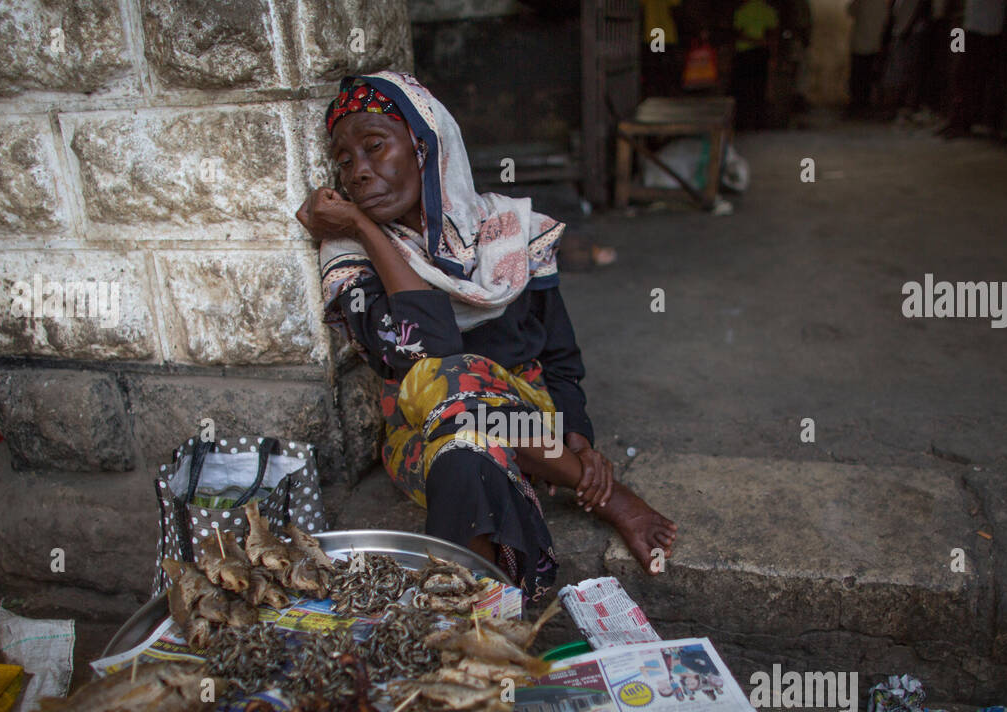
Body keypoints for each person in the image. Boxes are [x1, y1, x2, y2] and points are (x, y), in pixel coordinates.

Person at [296, 73, 677, 602]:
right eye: (344, 161)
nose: (358, 173)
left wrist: (579, 441)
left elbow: (559, 355)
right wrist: (363, 230)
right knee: (454, 410)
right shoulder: (351, 258)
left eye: (375, 146)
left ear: (426, 147)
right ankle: (603, 507)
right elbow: (430, 344)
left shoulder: (509, 230)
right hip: (420, 437)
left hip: (527, 423)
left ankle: (463, 616)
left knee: (468, 433)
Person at [938, 0, 1007, 137]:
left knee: (968, 75)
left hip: (984, 28)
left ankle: (962, 121)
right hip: (972, 26)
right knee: (961, 74)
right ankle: (957, 119)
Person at [732, 0, 781, 129]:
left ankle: (743, 123)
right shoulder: (768, 11)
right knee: (759, 88)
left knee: (744, 88)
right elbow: (773, 35)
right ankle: (757, 123)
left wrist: (752, 41)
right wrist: (768, 49)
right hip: (760, 54)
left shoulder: (742, 10)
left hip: (744, 53)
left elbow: (737, 33)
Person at [846, 0, 891, 117]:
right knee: (868, 76)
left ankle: (858, 105)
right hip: (874, 43)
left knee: (858, 76)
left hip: (861, 43)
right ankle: (864, 104)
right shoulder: (883, 3)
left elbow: (851, 11)